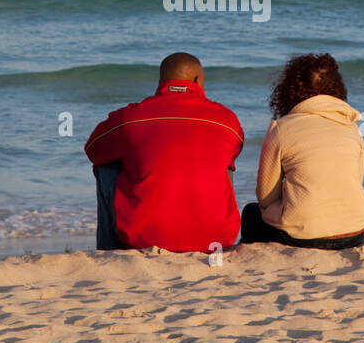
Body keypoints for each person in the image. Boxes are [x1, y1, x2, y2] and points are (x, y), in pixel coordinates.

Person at [84, 52, 244, 252]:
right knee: (224, 161)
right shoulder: (227, 119)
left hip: (146, 238)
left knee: (106, 164)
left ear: (160, 82)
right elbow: (236, 149)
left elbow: (93, 150)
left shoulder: (130, 117)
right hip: (216, 240)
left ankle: (109, 251)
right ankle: (211, 227)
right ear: (197, 80)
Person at [243, 53, 364, 249]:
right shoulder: (351, 127)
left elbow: (266, 197)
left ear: (289, 90)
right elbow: (354, 181)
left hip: (304, 237)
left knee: (251, 213)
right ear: (336, 88)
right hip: (355, 231)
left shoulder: (281, 128)